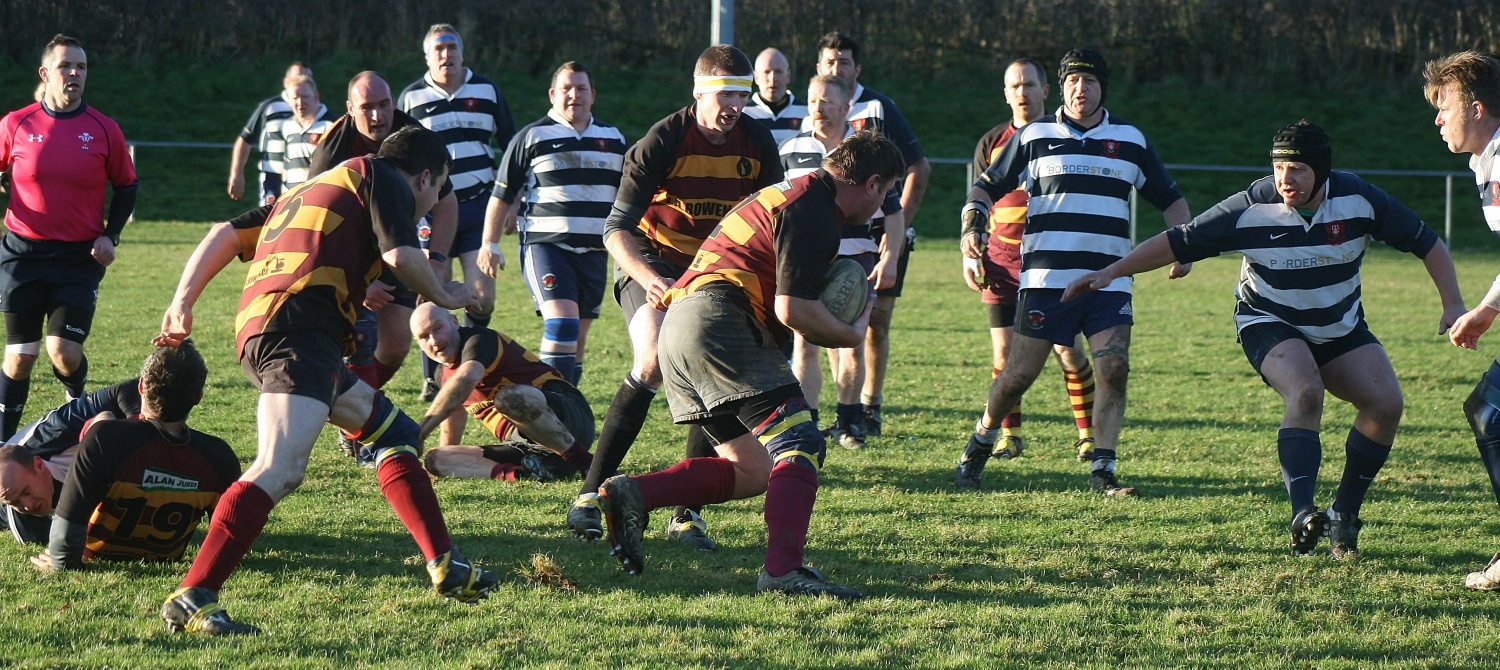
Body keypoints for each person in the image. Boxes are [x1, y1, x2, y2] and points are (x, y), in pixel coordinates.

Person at [154, 126, 496, 636]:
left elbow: (224, 234)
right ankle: (194, 594)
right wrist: (446, 295)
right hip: (300, 331)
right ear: (426, 177)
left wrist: (182, 301)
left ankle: (447, 565)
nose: (426, 206)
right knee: (280, 467)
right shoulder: (384, 176)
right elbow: (404, 257)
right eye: (436, 191)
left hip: (272, 328)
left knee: (394, 432)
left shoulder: (309, 187)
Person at [1065, 120, 1464, 557]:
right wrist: (1111, 271)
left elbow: (1428, 242)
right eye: (1279, 167)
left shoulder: (1359, 199)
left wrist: (1452, 303)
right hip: (1268, 320)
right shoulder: (1252, 206)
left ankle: (1344, 514)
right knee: (1306, 391)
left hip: (1338, 325)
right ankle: (1302, 513)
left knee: (1386, 404)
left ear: (1322, 171)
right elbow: (1180, 240)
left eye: (1297, 169)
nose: (1285, 179)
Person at [595, 130, 903, 599]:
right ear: (872, 183)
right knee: (799, 440)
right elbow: (793, 311)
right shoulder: (815, 208)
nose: (880, 208)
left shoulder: (794, 192)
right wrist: (852, 332)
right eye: (885, 195)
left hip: (682, 324)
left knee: (752, 469)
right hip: (720, 322)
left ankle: (636, 493)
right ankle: (783, 572)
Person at [569, 44, 782, 552]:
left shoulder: (756, 140)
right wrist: (654, 279)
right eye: (724, 94)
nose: (734, 105)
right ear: (699, 92)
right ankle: (587, 495)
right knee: (652, 362)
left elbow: (775, 218)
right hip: (651, 264)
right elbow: (616, 230)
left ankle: (687, 514)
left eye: (742, 94)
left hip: (715, 273)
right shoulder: (662, 140)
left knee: (706, 374)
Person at [955, 48, 1191, 495]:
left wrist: (1183, 243)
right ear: (1060, 88)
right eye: (1073, 82)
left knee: (1114, 366)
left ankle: (1103, 468)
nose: (1081, 90)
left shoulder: (1130, 140)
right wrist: (972, 224)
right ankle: (982, 438)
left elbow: (1171, 198)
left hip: (1109, 280)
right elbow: (986, 186)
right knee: (1017, 377)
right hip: (1046, 282)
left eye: (1090, 82)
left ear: (1103, 88)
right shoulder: (1034, 135)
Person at [0, 35, 138, 440]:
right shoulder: (16, 124)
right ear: (46, 74)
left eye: (81, 67)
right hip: (22, 255)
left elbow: (126, 187)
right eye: (66, 66)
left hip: (78, 259)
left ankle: (75, 403)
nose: (75, 74)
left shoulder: (104, 129)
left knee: (64, 352)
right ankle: (6, 446)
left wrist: (111, 236)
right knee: (20, 357)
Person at [965, 58, 1097, 464]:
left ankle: (1088, 436)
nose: (1022, 92)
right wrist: (968, 249)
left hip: (1052, 263)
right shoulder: (991, 142)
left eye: (1029, 84)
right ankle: (1009, 436)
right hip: (1002, 263)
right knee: (1005, 359)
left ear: (1045, 91)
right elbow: (978, 198)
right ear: (1005, 94)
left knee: (1069, 351)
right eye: (1014, 86)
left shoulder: (1064, 137)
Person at [20, 342, 241, 571]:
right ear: (198, 396)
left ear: (142, 387)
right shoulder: (219, 456)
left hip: (96, 553)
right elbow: (233, 536)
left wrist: (61, 561)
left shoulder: (107, 437)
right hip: (165, 556)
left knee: (101, 420)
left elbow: (70, 519)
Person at [311, 71, 457, 403]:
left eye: (384, 104)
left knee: (394, 345)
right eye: (367, 108)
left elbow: (446, 202)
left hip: (397, 244)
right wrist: (359, 282)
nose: (378, 116)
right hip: (346, 251)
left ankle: (354, 407)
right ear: (350, 108)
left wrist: (436, 261)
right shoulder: (332, 154)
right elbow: (319, 225)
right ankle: (353, 423)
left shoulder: (413, 138)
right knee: (360, 340)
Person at [815, 31, 930, 441]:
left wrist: (896, 229)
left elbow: (919, 166)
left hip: (878, 239)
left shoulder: (878, 107)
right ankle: (846, 411)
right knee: (833, 315)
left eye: (843, 62)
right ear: (818, 68)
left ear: (856, 69)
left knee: (875, 323)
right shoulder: (817, 107)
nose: (836, 69)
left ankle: (870, 406)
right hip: (834, 241)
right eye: (829, 62)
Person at [480, 61, 626, 385]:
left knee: (578, 339)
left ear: (593, 95)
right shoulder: (532, 136)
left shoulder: (613, 139)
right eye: (566, 89)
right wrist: (489, 245)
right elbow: (501, 195)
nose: (574, 95)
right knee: (562, 324)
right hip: (546, 245)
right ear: (552, 94)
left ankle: (566, 412)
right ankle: (548, 404)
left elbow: (628, 195)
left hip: (594, 249)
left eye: (581, 88)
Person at [780, 74, 902, 449]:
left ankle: (849, 423)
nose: (818, 108)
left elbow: (892, 211)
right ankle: (809, 422)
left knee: (851, 342)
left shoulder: (863, 150)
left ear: (846, 106)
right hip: (809, 261)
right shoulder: (790, 148)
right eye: (813, 100)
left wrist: (890, 257)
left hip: (855, 260)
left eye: (827, 101)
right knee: (806, 343)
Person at [399, 24, 518, 401]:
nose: (446, 54)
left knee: (481, 297)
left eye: (451, 47)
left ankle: (464, 359)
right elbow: (398, 155)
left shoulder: (487, 90)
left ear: (463, 53)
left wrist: (512, 202)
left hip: (477, 210)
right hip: (430, 213)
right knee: (430, 291)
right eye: (438, 49)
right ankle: (432, 378)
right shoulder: (412, 98)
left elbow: (513, 147)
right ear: (427, 57)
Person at [1421, 51, 1500, 588]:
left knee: (1492, 414)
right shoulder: (1488, 162)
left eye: (1443, 105)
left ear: (1474, 107)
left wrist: (1487, 309)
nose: (1437, 118)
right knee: (1488, 411)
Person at [409, 303, 595, 483]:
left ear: (455, 322)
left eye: (438, 328)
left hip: (568, 418)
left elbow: (466, 378)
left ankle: (587, 463)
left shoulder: (479, 340)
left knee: (508, 398)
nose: (434, 340)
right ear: (418, 343)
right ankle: (524, 474)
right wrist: (447, 457)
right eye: (425, 336)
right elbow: (453, 413)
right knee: (435, 459)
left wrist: (421, 433)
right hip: (525, 447)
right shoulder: (443, 375)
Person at [0, 377, 143, 543]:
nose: (28, 505)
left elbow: (126, 389)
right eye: (15, 501)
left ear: (39, 465)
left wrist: (140, 433)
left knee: (103, 424)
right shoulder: (23, 519)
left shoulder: (55, 433)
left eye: (26, 492)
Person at [227, 62, 310, 204]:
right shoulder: (270, 107)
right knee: (269, 220)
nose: (301, 83)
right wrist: (237, 173)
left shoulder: (316, 109)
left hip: (303, 178)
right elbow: (245, 139)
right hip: (273, 178)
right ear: (285, 82)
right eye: (297, 78)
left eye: (307, 79)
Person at [261, 73, 338, 196]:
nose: (300, 102)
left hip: (320, 197)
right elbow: (275, 169)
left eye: (305, 97)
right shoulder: (285, 127)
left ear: (316, 97)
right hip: (292, 200)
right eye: (295, 98)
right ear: (289, 101)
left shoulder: (332, 125)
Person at [743, 48, 807, 146]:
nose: (773, 78)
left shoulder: (806, 112)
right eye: (766, 72)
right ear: (755, 77)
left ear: (788, 76)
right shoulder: (744, 112)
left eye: (778, 72)